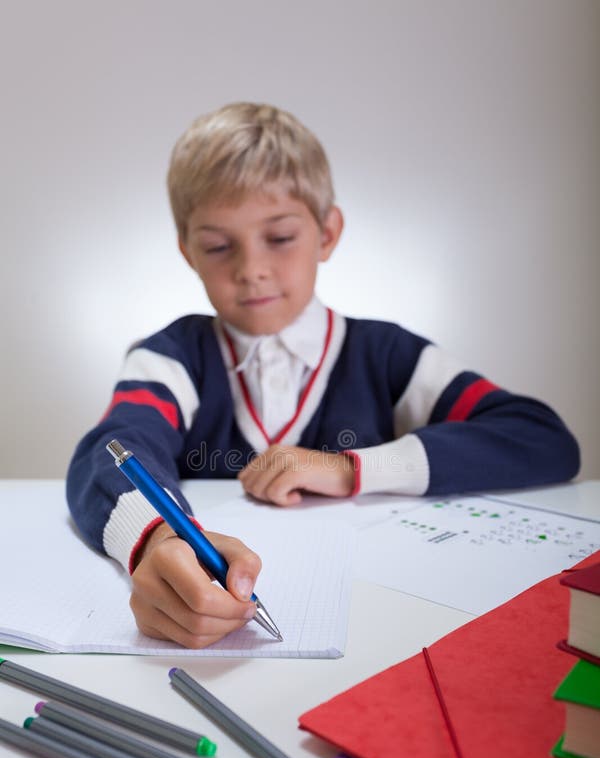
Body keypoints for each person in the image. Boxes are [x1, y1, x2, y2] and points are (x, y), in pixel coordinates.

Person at [67, 101, 580, 649]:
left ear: (328, 232)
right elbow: (111, 449)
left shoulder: (384, 354)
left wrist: (349, 469)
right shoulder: (171, 356)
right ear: (188, 251)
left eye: (280, 237)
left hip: (382, 632)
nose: (252, 269)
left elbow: (540, 436)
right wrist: (154, 540)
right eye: (219, 246)